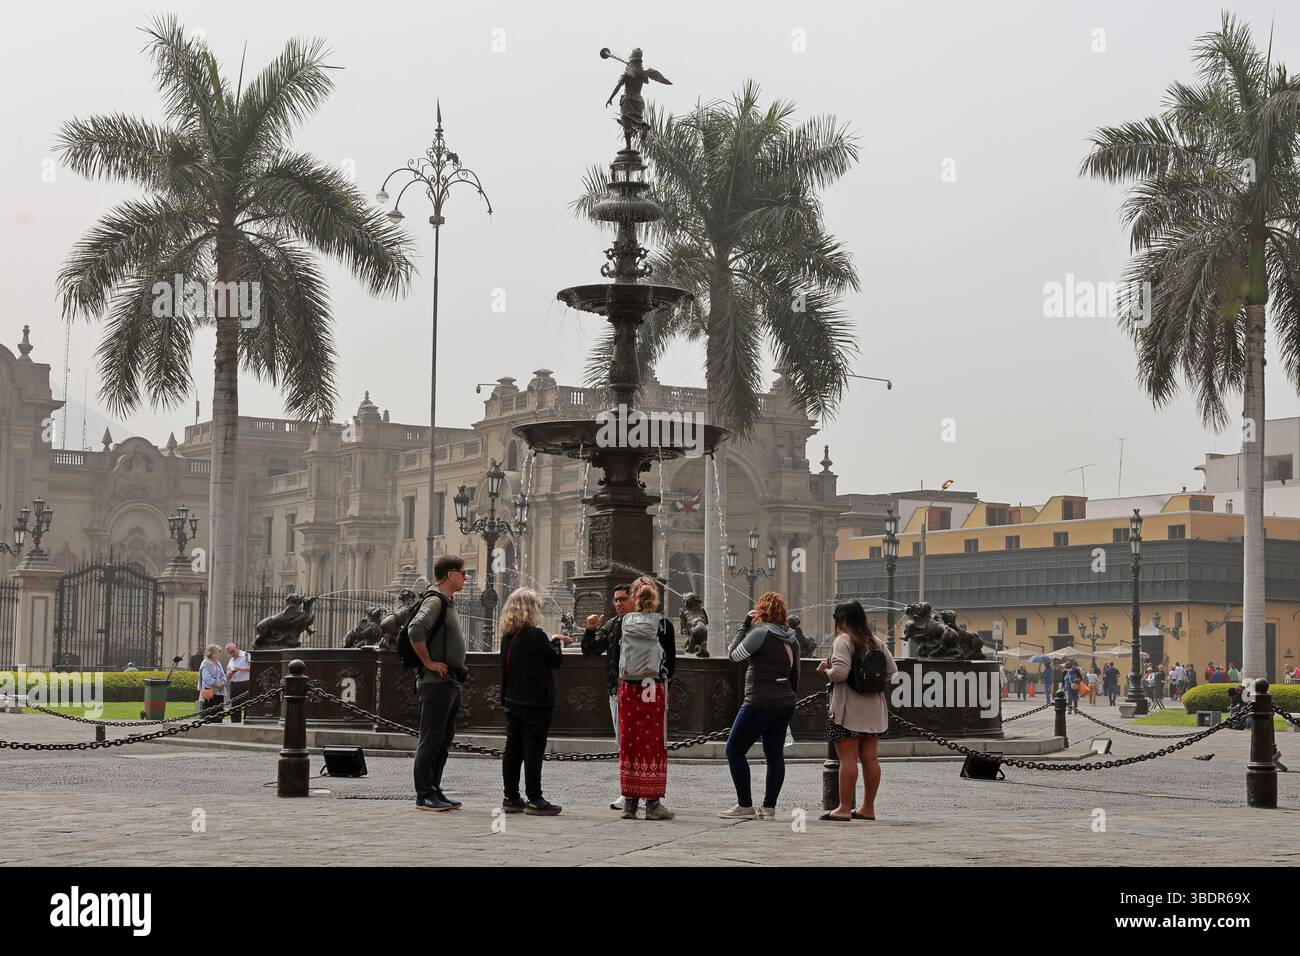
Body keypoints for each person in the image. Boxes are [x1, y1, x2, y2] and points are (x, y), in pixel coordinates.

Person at [719, 591, 801, 820]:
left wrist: (744, 625)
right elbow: (796, 674)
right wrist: (789, 700)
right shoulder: (792, 639)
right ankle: (769, 808)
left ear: (761, 612)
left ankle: (745, 804)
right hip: (784, 702)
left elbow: (733, 655)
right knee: (774, 755)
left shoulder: (760, 634)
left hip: (758, 702)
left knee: (733, 750)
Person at [817, 600, 898, 822]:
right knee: (870, 759)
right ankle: (868, 808)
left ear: (841, 620)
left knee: (848, 759)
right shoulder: (875, 641)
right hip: (873, 708)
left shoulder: (843, 640)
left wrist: (826, 670)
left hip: (848, 709)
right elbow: (892, 671)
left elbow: (840, 673)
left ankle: (844, 808)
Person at [499, 587, 572, 816]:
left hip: (512, 700)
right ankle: (534, 798)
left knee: (513, 749)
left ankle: (511, 797)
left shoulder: (507, 637)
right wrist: (557, 642)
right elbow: (554, 660)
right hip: (536, 703)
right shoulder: (535, 635)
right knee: (533, 749)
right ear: (530, 609)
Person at [411, 555, 469, 813]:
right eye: (463, 573)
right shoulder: (435, 600)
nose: (466, 577)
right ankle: (424, 794)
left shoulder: (447, 601)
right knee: (431, 739)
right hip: (435, 682)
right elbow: (415, 629)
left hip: (449, 681)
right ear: (450, 575)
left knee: (443, 739)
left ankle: (434, 788)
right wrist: (429, 662)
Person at [615, 580, 677, 820]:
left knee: (630, 742)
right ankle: (652, 803)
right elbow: (670, 664)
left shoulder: (625, 622)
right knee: (652, 743)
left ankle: (629, 804)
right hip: (651, 688)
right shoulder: (663, 624)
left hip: (628, 688)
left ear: (635, 599)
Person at [580, 582, 635, 810]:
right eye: (615, 600)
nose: (618, 604)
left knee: (640, 743)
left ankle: (646, 791)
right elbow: (591, 649)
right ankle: (627, 790)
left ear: (635, 598)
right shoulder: (613, 624)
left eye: (623, 599)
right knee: (623, 742)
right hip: (616, 690)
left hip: (643, 691)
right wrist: (590, 630)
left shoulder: (649, 623)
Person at [224, 642, 251, 723]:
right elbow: (228, 677)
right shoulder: (231, 661)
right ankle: (235, 722)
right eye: (230, 653)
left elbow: (253, 667)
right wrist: (231, 673)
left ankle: (247, 721)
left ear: (236, 648)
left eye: (233, 651)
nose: (232, 654)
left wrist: (241, 669)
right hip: (234, 684)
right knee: (235, 705)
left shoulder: (246, 655)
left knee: (247, 704)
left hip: (245, 683)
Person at [198, 644, 227, 716]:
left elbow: (223, 675)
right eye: (217, 652)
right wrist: (216, 684)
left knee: (219, 711)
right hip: (209, 691)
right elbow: (206, 678)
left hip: (219, 691)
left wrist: (222, 683)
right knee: (210, 711)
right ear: (212, 653)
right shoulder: (205, 663)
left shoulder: (218, 663)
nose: (218, 654)